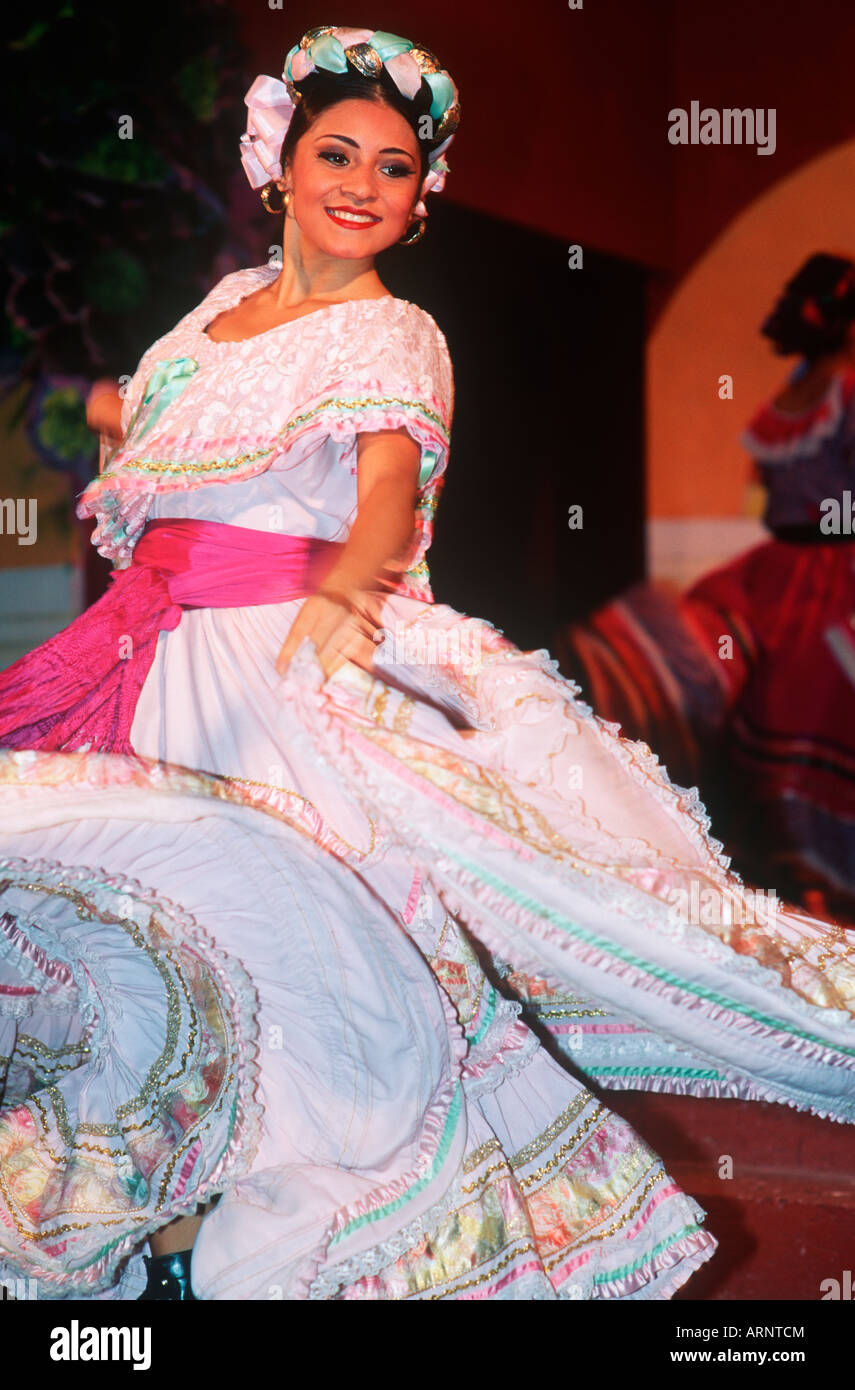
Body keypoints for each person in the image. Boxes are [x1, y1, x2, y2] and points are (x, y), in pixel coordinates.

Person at [0, 27, 853, 1304]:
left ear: (417, 201)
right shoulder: (223, 312)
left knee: (328, 962)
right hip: (144, 659)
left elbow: (389, 483)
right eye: (335, 151)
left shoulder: (395, 335)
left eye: (393, 168)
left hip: (279, 667)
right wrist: (92, 404)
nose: (360, 181)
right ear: (276, 163)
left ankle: (264, 1235)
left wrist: (348, 584)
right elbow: (155, 410)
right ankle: (151, 1219)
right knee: (131, 929)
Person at [556, 253, 855, 925]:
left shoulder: (795, 389)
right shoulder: (848, 389)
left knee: (758, 708)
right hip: (835, 577)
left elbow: (772, 494)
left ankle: (790, 883)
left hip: (772, 573)